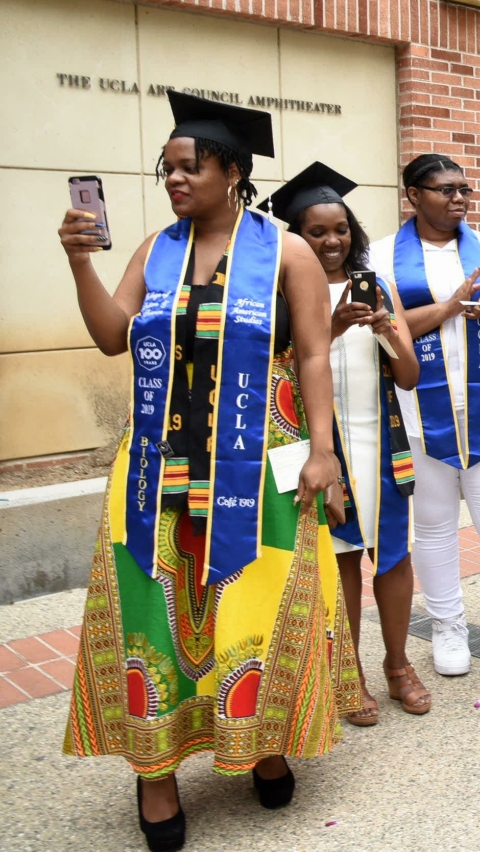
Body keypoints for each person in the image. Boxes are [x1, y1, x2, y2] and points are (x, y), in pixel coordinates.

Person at [59, 92, 357, 850]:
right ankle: (154, 772)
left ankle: (259, 739)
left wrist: (323, 450)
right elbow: (108, 336)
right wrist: (78, 260)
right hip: (155, 467)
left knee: (251, 606)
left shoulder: (286, 251)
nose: (175, 179)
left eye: (190, 166)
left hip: (259, 464)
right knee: (155, 612)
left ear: (232, 171)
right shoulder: (154, 251)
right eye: (167, 168)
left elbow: (316, 353)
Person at [262, 164, 432, 725]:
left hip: (380, 440)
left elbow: (407, 376)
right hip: (321, 447)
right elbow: (278, 373)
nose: (332, 241)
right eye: (317, 231)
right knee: (341, 563)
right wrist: (331, 326)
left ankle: (399, 665)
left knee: (395, 559)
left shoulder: (376, 284)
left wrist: (386, 329)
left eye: (341, 229)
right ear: (296, 236)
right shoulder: (279, 292)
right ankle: (348, 672)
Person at [369, 153, 480, 679]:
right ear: (413, 196)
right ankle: (448, 626)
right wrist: (449, 307)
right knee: (432, 527)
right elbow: (385, 331)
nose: (459, 198)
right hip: (418, 417)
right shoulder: (381, 257)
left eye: (463, 189)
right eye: (445, 189)